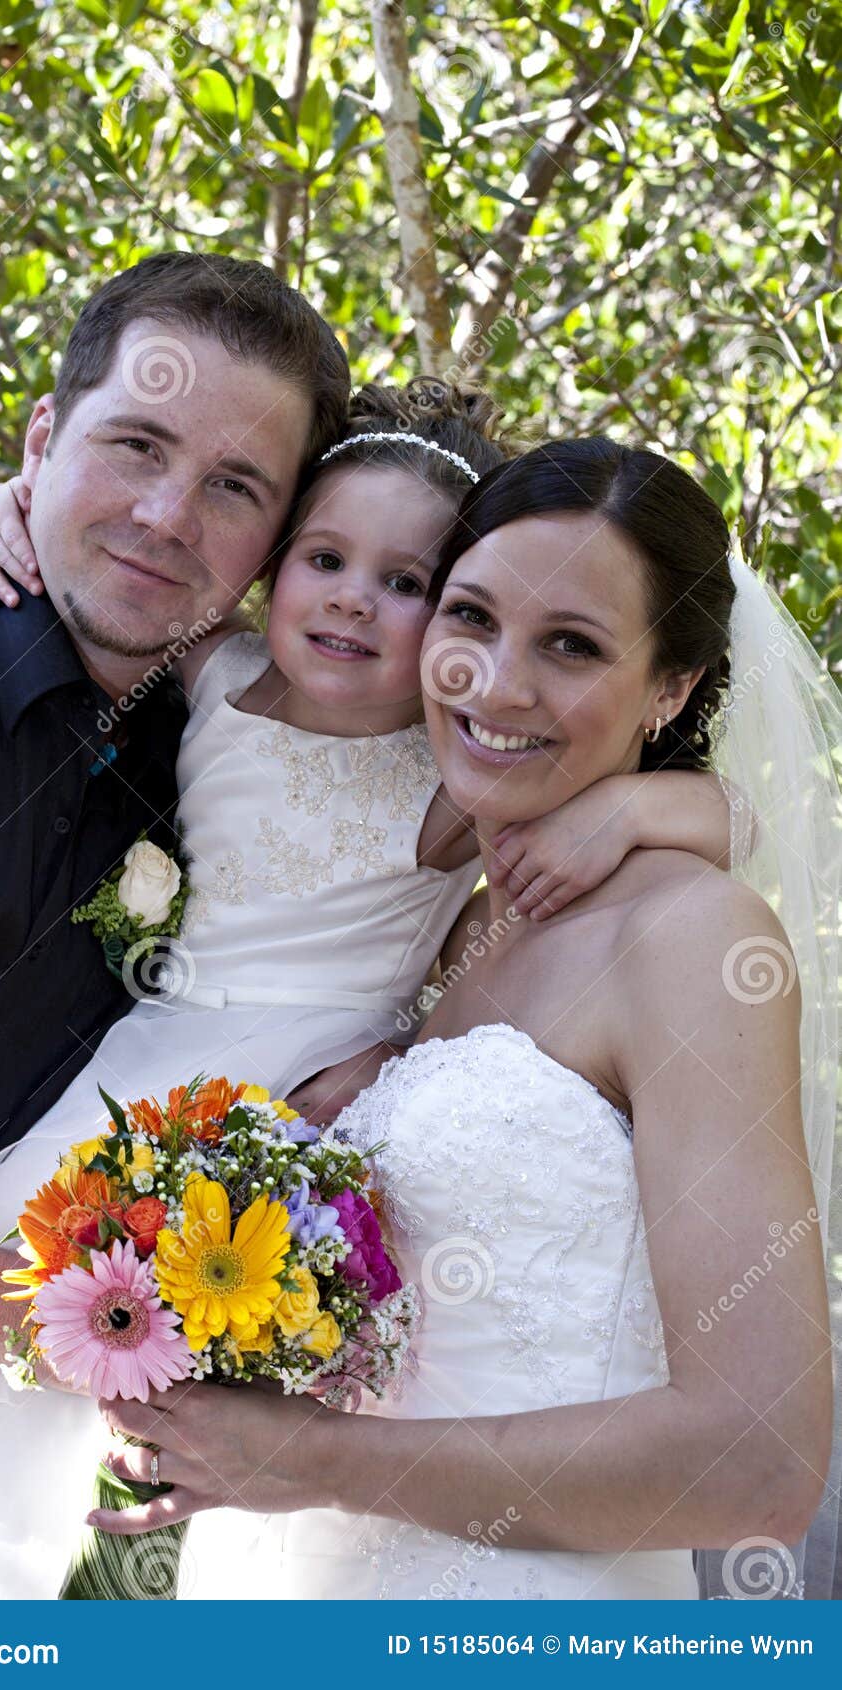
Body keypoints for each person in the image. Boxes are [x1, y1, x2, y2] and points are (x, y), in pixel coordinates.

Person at [0, 406, 738, 1600]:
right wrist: (6, 511)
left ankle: (130, 1593)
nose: (350, 600)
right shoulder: (220, 672)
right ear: (274, 569)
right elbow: (103, 584)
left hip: (302, 1103)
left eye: (405, 583)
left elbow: (724, 813)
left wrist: (641, 809)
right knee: (18, 1375)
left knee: (214, 1396)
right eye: (324, 561)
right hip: (132, 1077)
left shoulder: (448, 767)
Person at [83, 440, 836, 1603]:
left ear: (672, 687)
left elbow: (758, 1462)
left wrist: (310, 1459)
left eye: (571, 646)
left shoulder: (691, 939)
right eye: (470, 617)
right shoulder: (453, 929)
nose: (496, 682)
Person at [0, 251, 350, 1598]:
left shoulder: (248, 767)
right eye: (133, 444)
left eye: (233, 488)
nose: (165, 513)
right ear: (42, 439)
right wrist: (72, 1327)